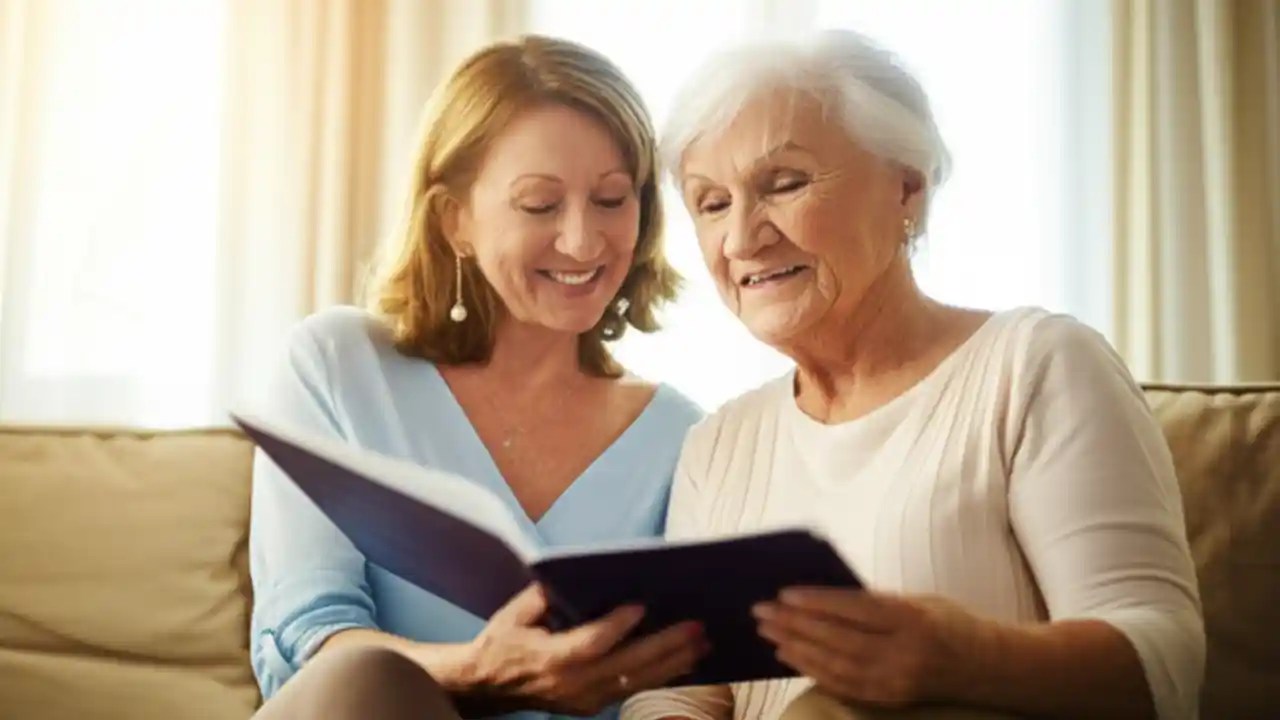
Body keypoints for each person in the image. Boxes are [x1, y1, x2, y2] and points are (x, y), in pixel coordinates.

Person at [623, 30, 1204, 720]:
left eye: (785, 184)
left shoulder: (1034, 365)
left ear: (907, 190)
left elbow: (1164, 658)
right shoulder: (719, 442)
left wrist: (967, 660)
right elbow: (682, 691)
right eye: (711, 203)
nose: (744, 237)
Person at [248, 35, 708, 720]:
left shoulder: (687, 439)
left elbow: (680, 687)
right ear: (453, 219)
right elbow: (309, 640)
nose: (583, 241)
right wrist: (483, 671)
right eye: (539, 204)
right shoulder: (336, 365)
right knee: (366, 682)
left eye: (612, 200)